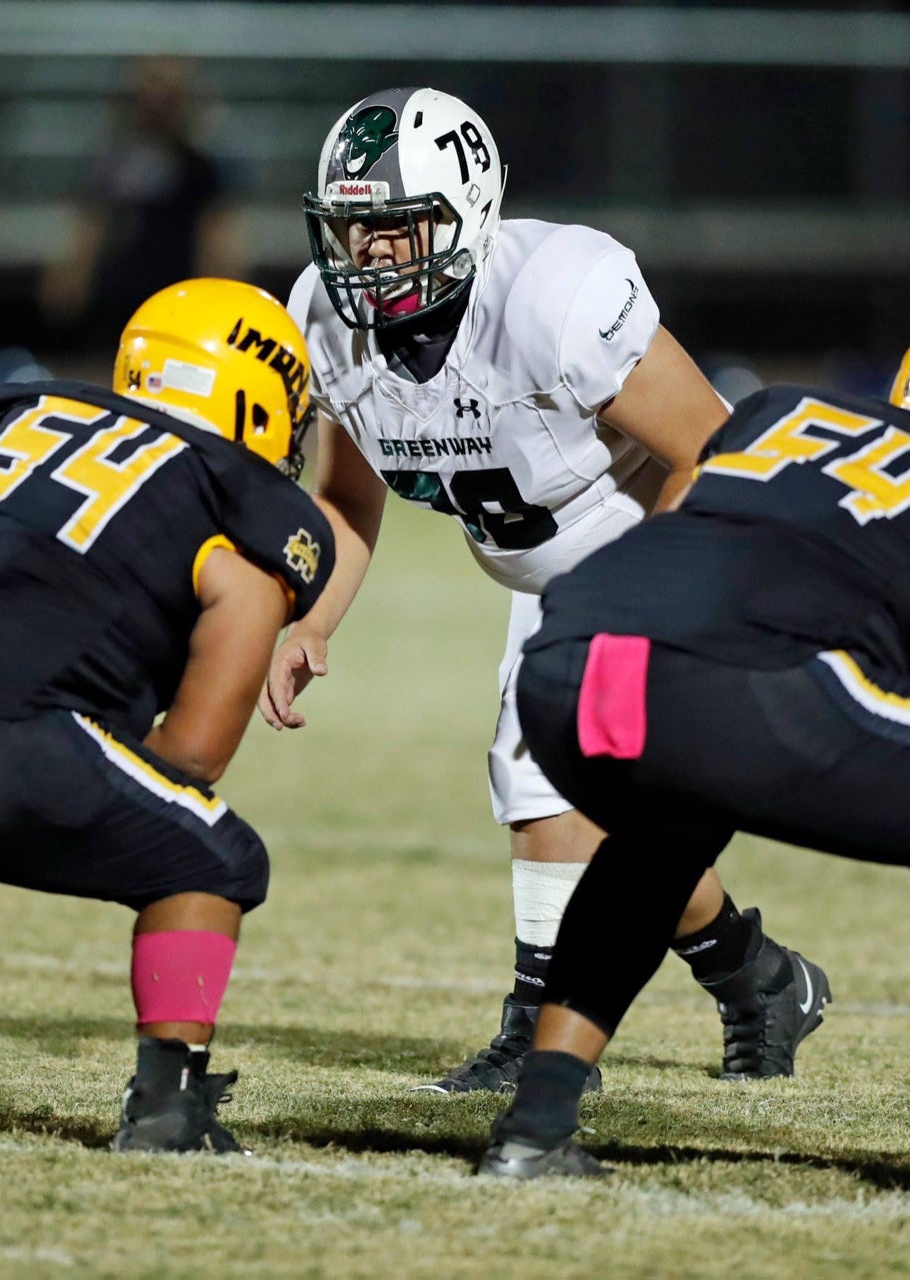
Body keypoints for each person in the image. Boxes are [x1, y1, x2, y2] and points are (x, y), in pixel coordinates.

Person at [263, 86, 829, 1092]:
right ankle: (758, 976)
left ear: (469, 211)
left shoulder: (553, 296)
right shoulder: (330, 320)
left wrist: (638, 598)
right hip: (554, 567)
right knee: (618, 807)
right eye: (356, 230)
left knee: (539, 766)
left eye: (402, 228)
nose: (375, 255)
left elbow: (715, 449)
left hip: (663, 535)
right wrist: (312, 618)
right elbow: (347, 493)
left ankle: (541, 1028)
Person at [0, 279, 333, 1153]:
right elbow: (193, 756)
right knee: (211, 848)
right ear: (255, 399)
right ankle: (168, 1103)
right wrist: (74, 782)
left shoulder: (20, 429)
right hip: (5, 738)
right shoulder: (229, 507)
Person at [477, 355, 910, 1178]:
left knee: (656, 838)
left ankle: (534, 1127)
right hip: (728, 681)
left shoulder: (776, 411)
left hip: (567, 661)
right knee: (671, 813)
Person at [40, 56, 249, 351]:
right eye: (150, 84)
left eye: (166, 87)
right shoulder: (111, 160)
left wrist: (224, 299)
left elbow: (215, 237)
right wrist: (70, 278)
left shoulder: (201, 166)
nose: (157, 98)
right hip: (116, 301)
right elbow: (89, 225)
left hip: (176, 303)